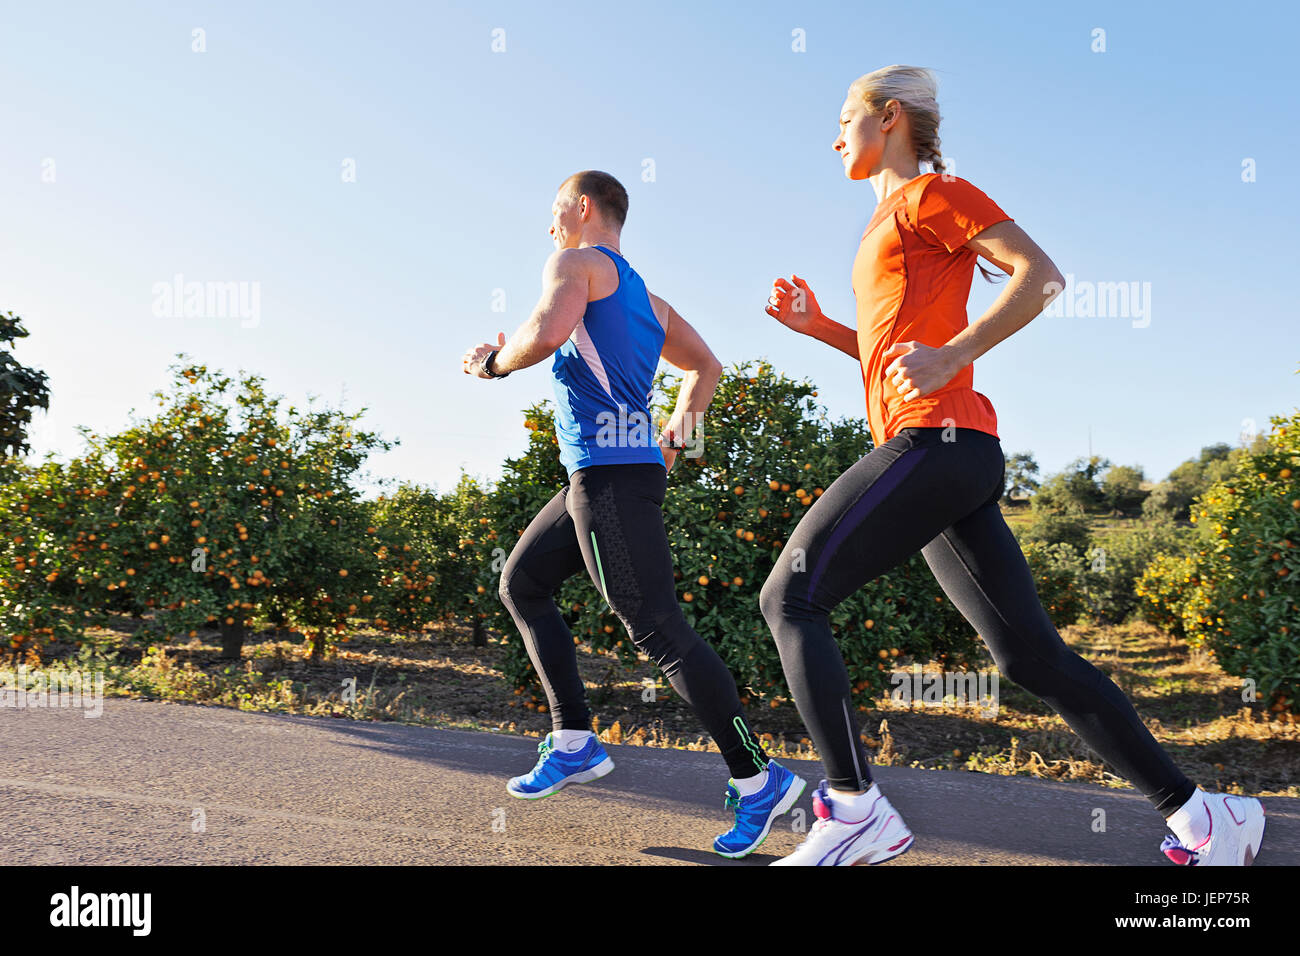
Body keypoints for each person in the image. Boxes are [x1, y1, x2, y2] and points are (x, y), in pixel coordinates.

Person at [759, 65, 1265, 866]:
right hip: (949, 453)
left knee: (789, 595)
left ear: (889, 117)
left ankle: (855, 809)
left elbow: (1042, 277)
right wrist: (822, 326)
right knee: (1028, 658)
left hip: (938, 442)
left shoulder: (934, 194)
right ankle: (1206, 816)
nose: (834, 137)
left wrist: (956, 352)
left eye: (844, 119)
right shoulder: (884, 221)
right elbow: (896, 356)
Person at [462, 170, 805, 858]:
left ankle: (757, 777)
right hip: (610, 473)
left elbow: (546, 330)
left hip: (610, 477)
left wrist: (493, 364)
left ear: (582, 208)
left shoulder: (576, 263)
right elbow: (704, 367)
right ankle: (574, 740)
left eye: (555, 210)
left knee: (658, 629)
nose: (549, 225)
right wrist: (673, 447)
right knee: (523, 583)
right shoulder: (649, 298)